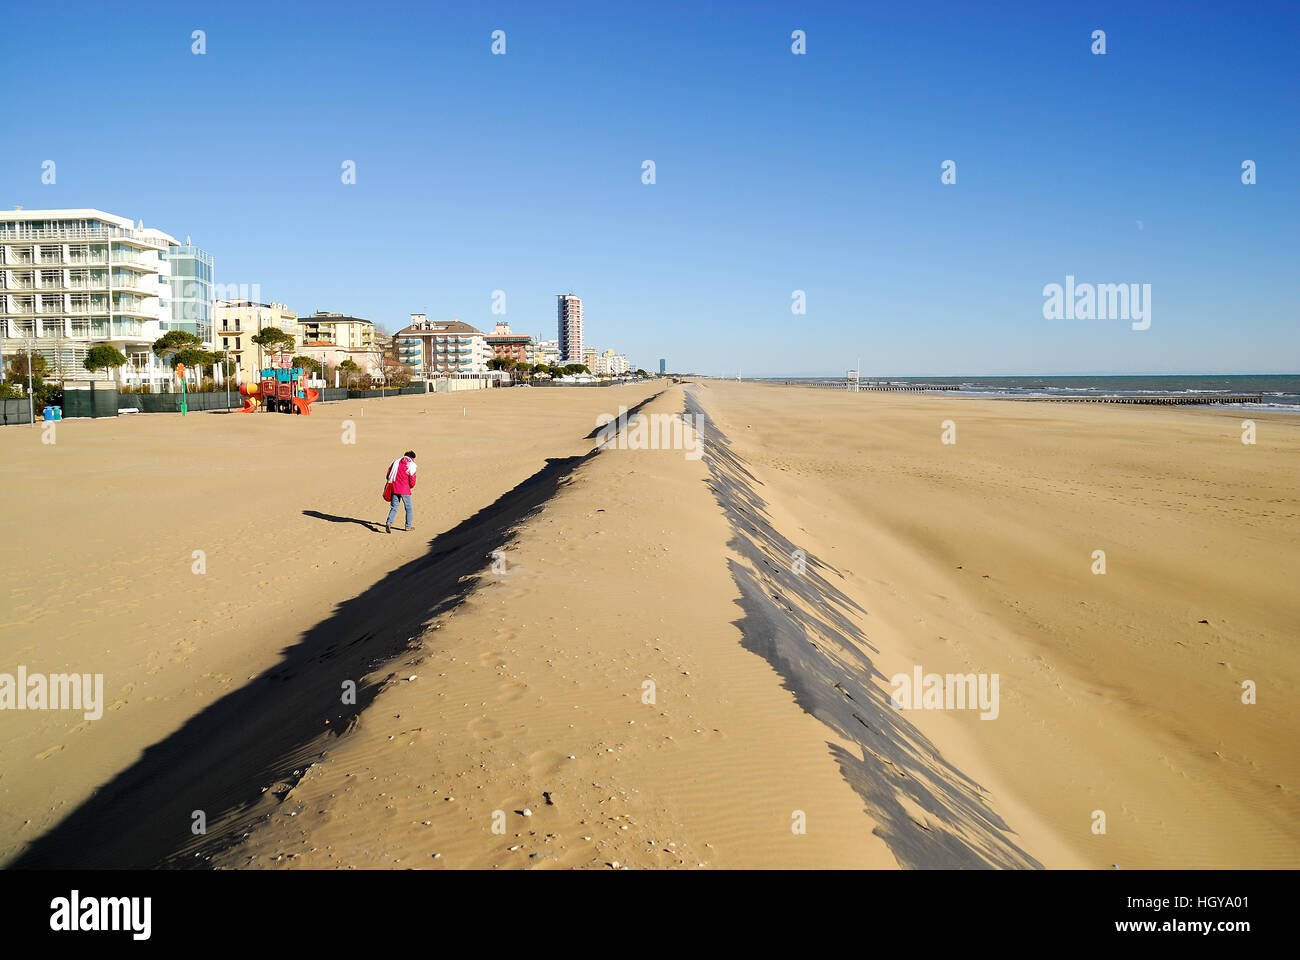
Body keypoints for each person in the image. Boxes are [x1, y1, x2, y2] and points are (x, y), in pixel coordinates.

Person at [385, 450, 417, 533]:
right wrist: (411, 486)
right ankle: (408, 526)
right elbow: (412, 478)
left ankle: (389, 522)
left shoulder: (396, 462)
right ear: (412, 457)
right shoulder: (411, 464)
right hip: (404, 489)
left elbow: (388, 474)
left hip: (394, 488)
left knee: (394, 507)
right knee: (408, 508)